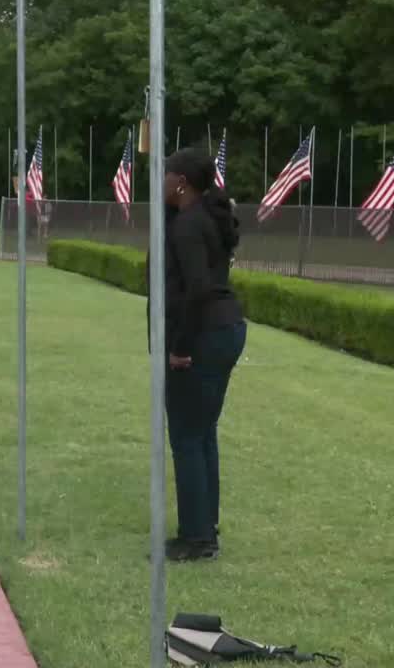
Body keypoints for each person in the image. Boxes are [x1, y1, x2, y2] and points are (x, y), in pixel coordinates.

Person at [147, 147, 246, 563]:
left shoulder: (189, 226)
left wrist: (180, 349)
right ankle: (205, 524)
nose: (161, 181)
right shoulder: (197, 218)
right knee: (202, 434)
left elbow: (198, 289)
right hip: (225, 330)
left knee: (187, 437)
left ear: (182, 182)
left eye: (166, 175)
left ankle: (197, 536)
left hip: (203, 335)